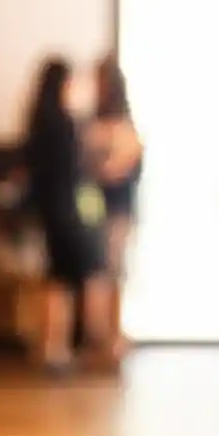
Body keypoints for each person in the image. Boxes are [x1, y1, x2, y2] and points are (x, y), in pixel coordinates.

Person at [22, 57, 115, 373]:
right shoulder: (69, 125)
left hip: (49, 212)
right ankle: (95, 346)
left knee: (56, 281)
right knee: (90, 276)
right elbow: (82, 175)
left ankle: (52, 348)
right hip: (75, 213)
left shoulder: (37, 123)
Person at [87, 54, 141, 360]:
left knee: (113, 271)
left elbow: (117, 168)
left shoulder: (120, 123)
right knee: (100, 274)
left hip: (118, 209)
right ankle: (99, 337)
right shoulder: (95, 122)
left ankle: (111, 335)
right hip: (96, 209)